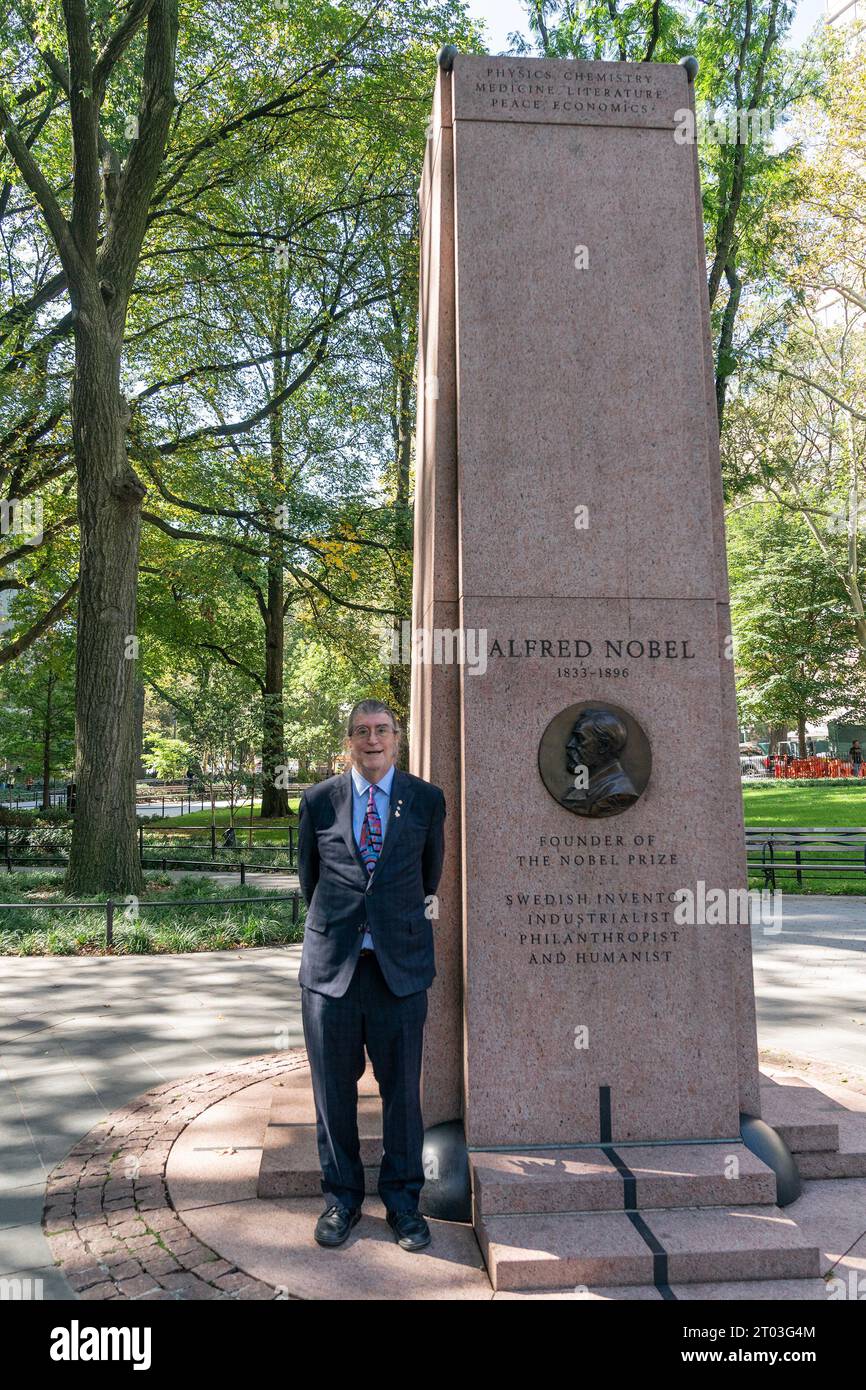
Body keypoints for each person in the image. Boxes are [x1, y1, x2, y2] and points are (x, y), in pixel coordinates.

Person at [297, 698, 446, 1253]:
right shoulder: (318, 801)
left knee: (403, 1093)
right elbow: (309, 882)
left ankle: (404, 1205)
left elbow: (428, 878)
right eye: (361, 731)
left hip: (399, 973)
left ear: (398, 738)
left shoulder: (427, 801)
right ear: (348, 742)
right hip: (331, 972)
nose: (372, 739)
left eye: (382, 729)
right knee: (332, 1093)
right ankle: (341, 1199)